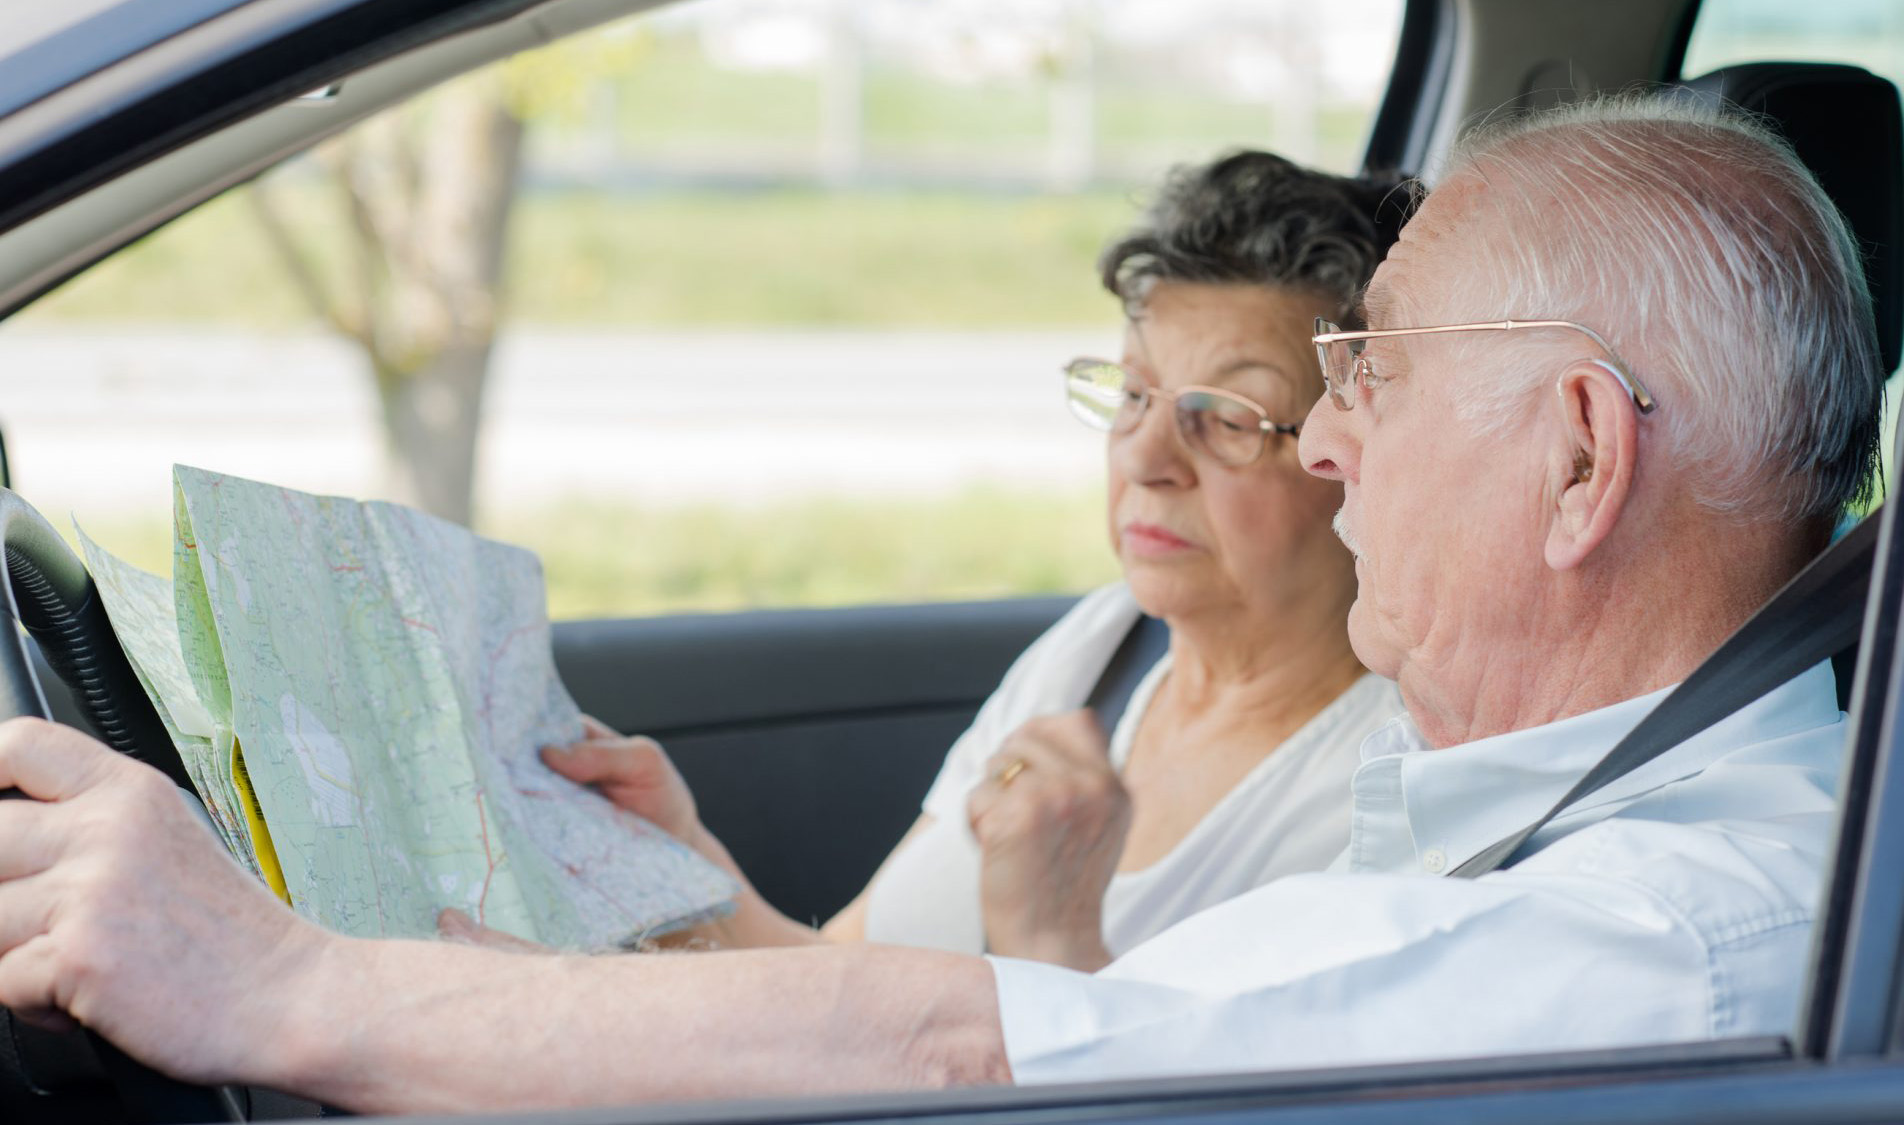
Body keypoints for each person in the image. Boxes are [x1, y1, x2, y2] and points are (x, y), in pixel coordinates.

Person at [0, 92, 1883, 1113]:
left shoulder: (1673, 930)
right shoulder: (1555, 801)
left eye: (1370, 378)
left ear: (1572, 459)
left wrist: (277, 987)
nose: (1332, 454)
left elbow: (965, 1048)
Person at [503, 152, 1408, 971]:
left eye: (1228, 417)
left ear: (1352, 450)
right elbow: (846, 974)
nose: (1144, 456)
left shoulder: (1386, 798)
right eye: (1134, 393)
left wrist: (1050, 940)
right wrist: (678, 852)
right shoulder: (1104, 646)